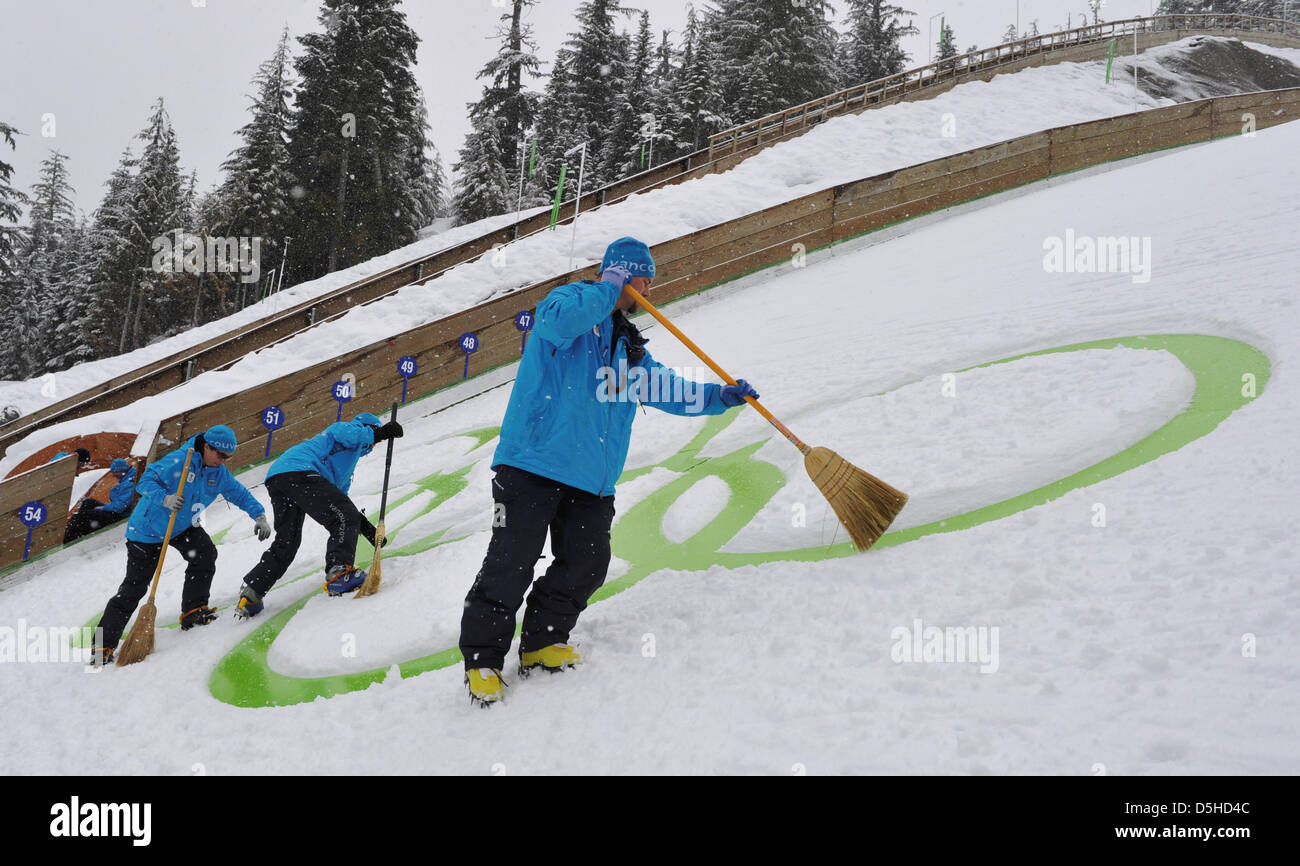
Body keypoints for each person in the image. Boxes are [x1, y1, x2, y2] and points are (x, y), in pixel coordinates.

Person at [459, 236, 759, 704]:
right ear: (622, 273)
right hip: (532, 464)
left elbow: (663, 388)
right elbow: (561, 322)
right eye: (645, 279)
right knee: (511, 563)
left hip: (590, 480)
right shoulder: (568, 305)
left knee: (588, 563)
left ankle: (541, 642)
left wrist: (717, 398)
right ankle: (483, 661)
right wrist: (607, 288)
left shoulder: (627, 347)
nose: (650, 290)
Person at [90, 425, 270, 666]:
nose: (223, 461)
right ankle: (102, 645)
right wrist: (165, 498)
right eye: (221, 455)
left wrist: (258, 515)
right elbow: (145, 482)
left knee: (205, 555)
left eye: (228, 457)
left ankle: (193, 612)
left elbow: (238, 493)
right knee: (133, 589)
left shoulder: (218, 472)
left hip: (183, 525)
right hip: (147, 530)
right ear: (207, 447)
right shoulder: (178, 461)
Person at [232, 411, 404, 620]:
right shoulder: (347, 429)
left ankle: (252, 592)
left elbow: (339, 501)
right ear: (368, 428)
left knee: (288, 541)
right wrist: (381, 433)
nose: (372, 446)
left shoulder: (345, 466)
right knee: (341, 517)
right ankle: (339, 573)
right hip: (299, 471)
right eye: (373, 439)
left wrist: (364, 527)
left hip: (281, 478)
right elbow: (351, 435)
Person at [63, 458, 137, 543]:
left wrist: (104, 507)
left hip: (120, 516)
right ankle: (83, 529)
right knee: (88, 503)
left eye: (115, 473)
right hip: (118, 511)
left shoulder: (130, 483)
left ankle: (68, 540)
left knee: (82, 515)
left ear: (121, 471)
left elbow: (119, 507)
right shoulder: (127, 479)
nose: (114, 475)